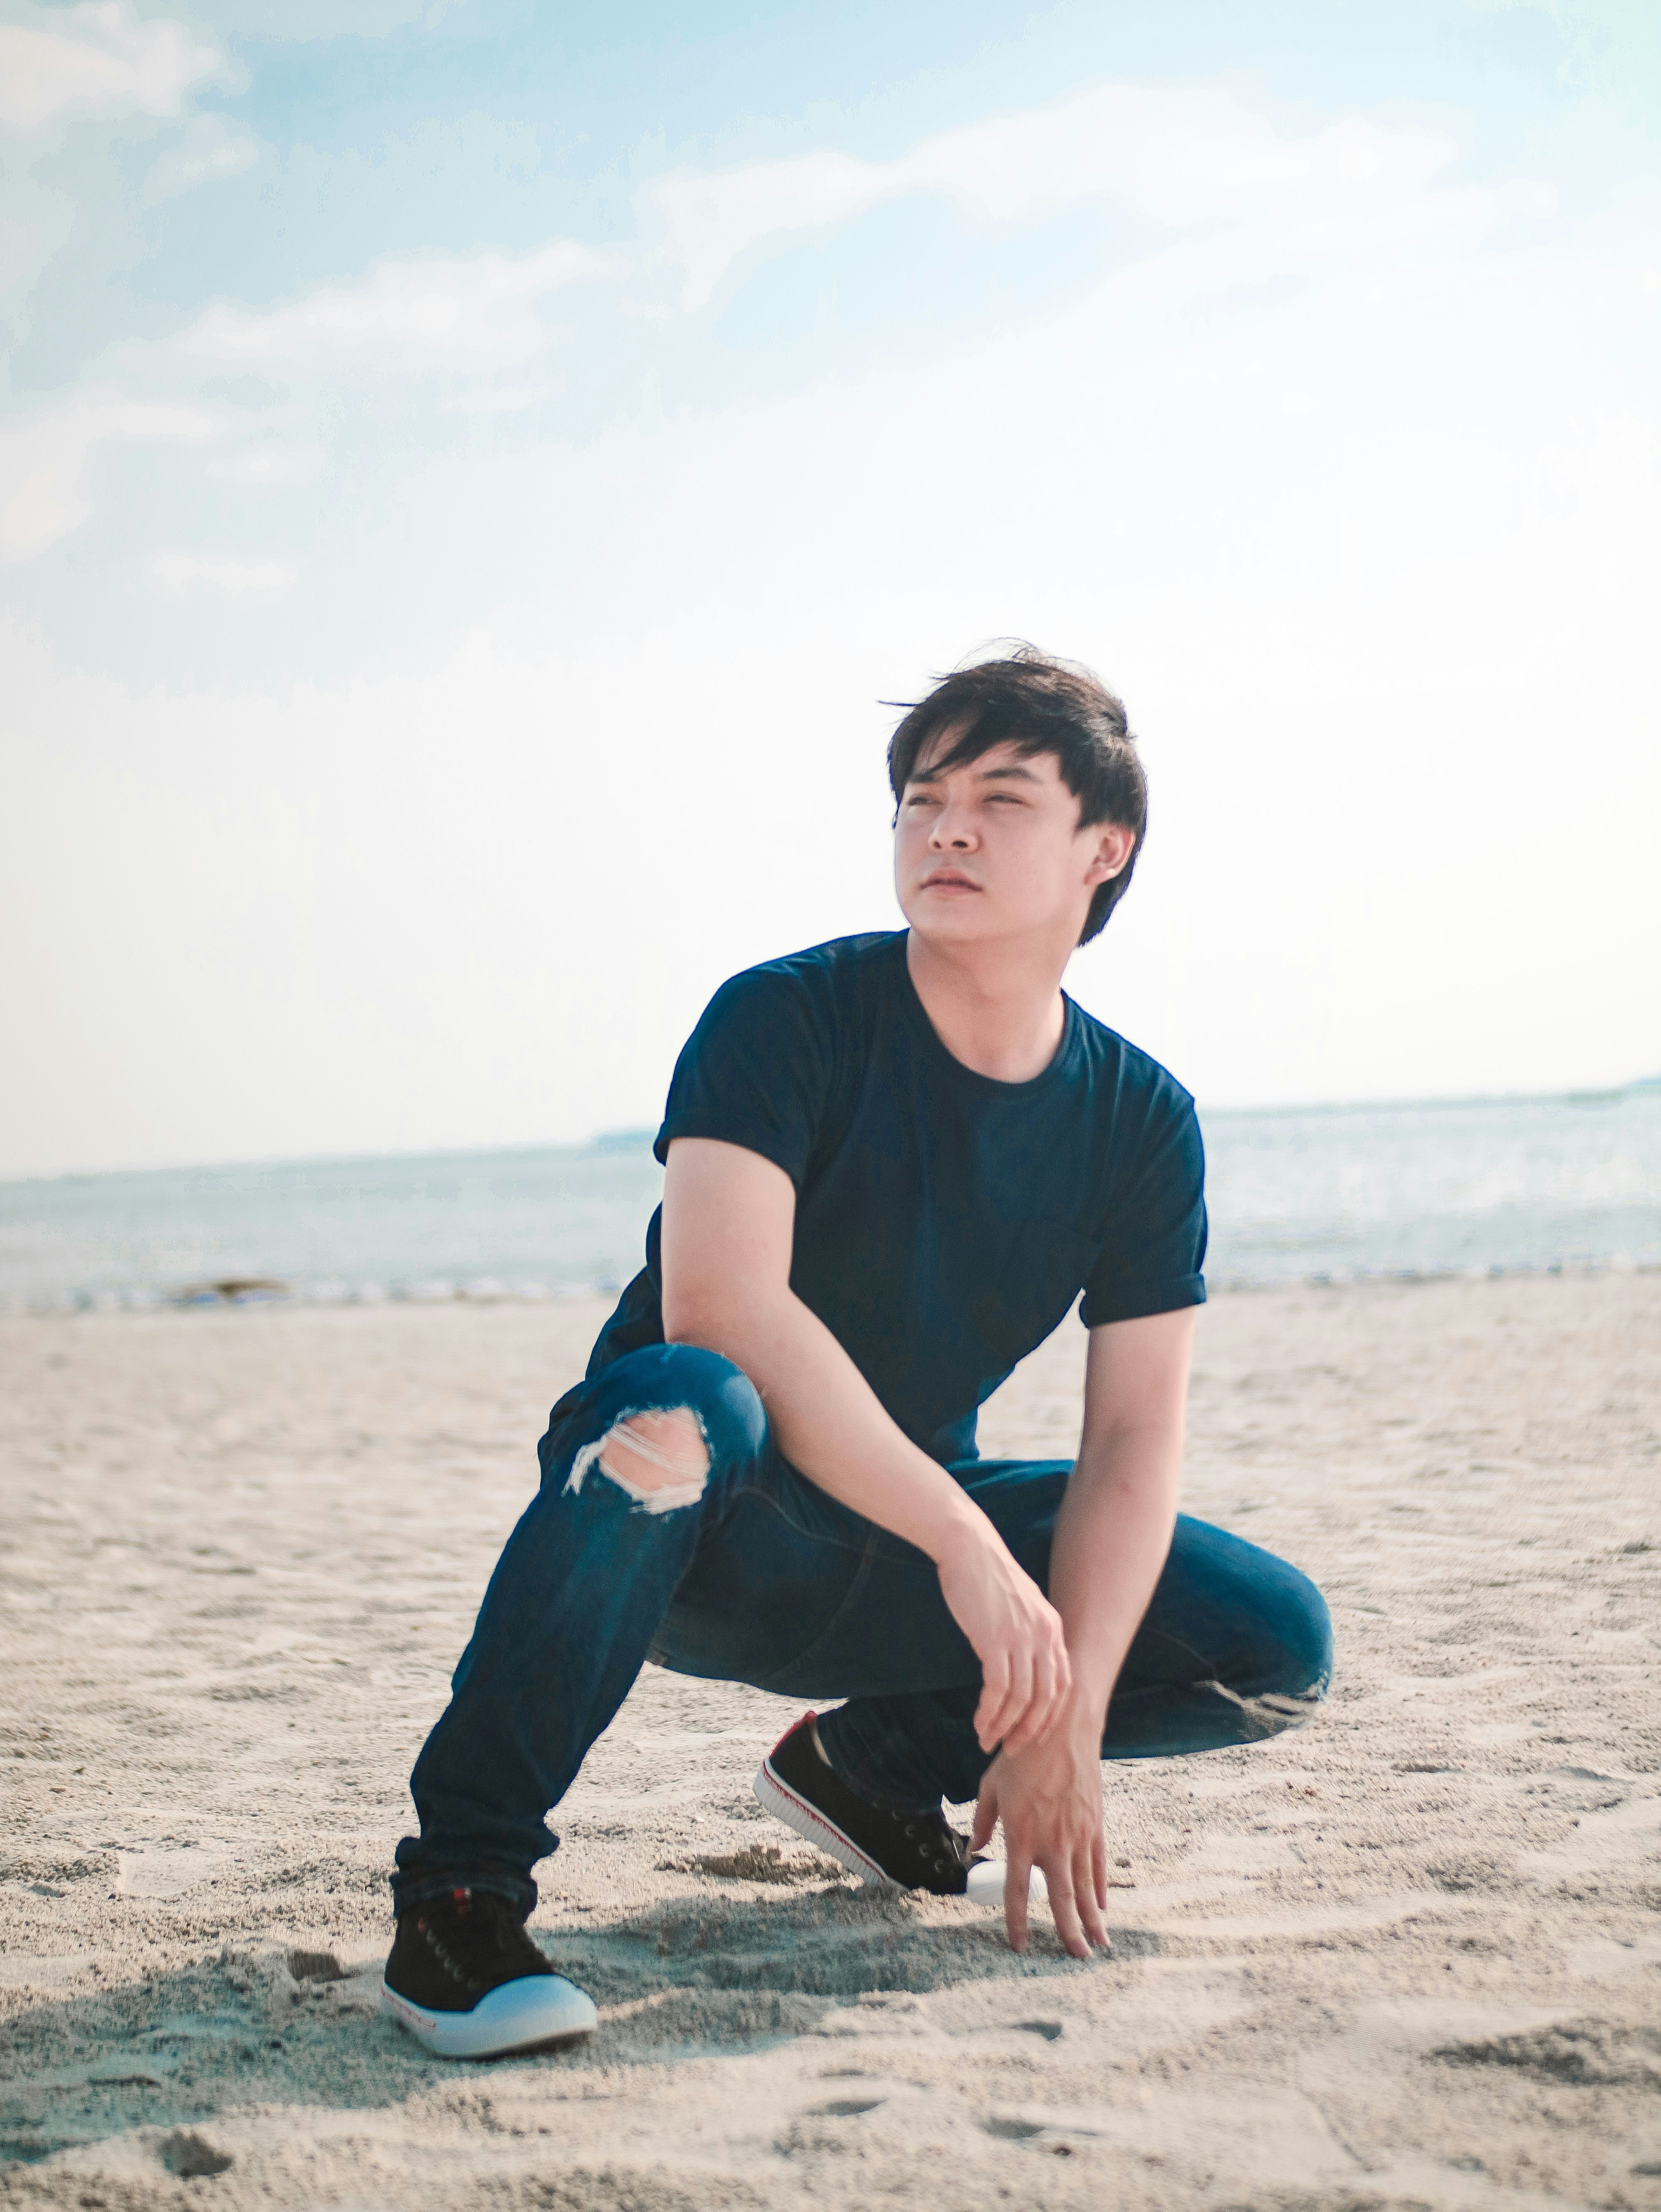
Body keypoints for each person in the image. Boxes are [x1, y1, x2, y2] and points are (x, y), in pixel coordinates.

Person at [380, 646, 1333, 2060]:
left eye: (1001, 797)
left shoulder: (1142, 1120)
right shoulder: (785, 1018)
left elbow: (1134, 1438)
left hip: (892, 1558)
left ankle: (871, 1766)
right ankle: (459, 1896)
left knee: (1270, 1638)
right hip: (698, 1524)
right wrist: (965, 1542)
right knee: (684, 1404)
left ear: (1103, 848)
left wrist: (1064, 1719)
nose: (945, 826)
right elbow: (725, 1310)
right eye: (922, 796)